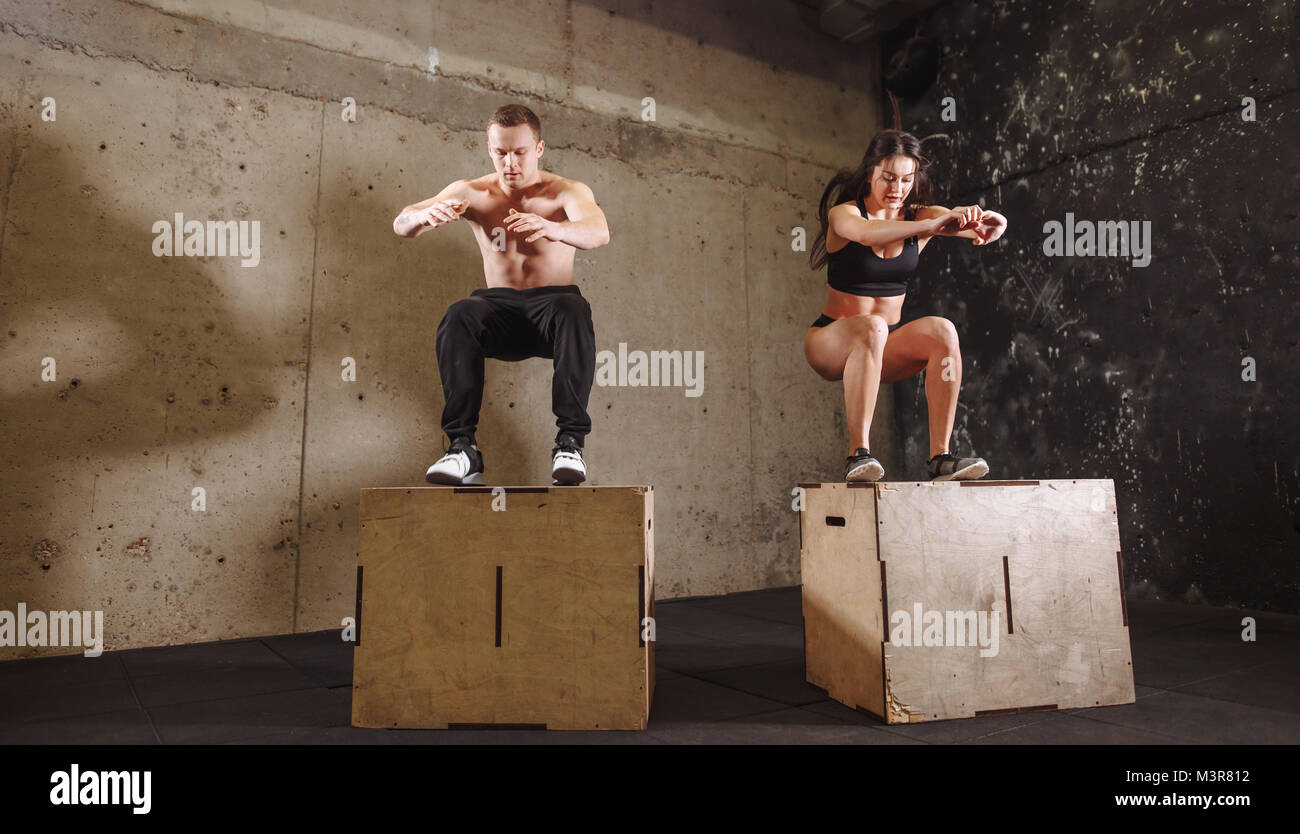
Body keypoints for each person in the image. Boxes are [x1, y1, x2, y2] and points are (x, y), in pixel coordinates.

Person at [393, 104, 611, 485]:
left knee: (573, 308)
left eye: (520, 152)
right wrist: (423, 218)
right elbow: (402, 222)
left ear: (539, 148)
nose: (510, 162)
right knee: (460, 313)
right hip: (499, 311)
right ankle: (462, 449)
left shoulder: (566, 192)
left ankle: (570, 443)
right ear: (490, 149)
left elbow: (598, 231)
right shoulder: (473, 192)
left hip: (551, 311)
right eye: (500, 152)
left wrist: (554, 228)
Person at [803, 129, 1007, 482]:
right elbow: (868, 234)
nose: (897, 188)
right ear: (870, 172)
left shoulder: (921, 215)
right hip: (831, 341)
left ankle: (941, 458)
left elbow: (971, 226)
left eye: (906, 179)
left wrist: (990, 222)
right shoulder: (846, 214)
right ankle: (858, 455)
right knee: (871, 325)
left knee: (943, 331)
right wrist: (929, 225)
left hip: (883, 348)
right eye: (888, 178)